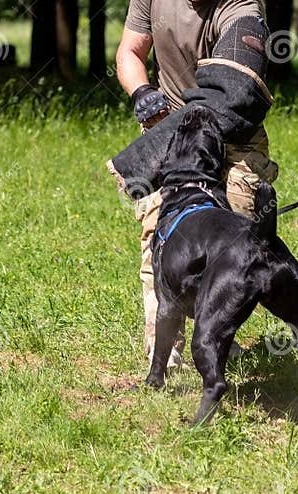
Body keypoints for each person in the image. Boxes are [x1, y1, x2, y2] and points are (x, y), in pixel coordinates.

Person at [115, 0, 278, 368]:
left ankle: (216, 328)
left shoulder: (242, 6)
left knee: (234, 233)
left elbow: (230, 92)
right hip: (170, 131)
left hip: (234, 132)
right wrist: (141, 92)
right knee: (161, 231)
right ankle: (164, 351)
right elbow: (129, 51)